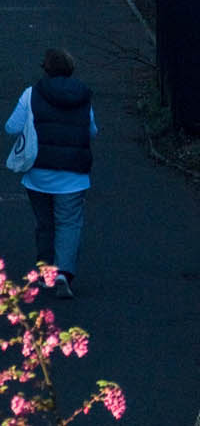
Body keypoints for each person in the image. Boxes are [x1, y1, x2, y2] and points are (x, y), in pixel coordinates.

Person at [6, 48, 97, 299]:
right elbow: (92, 131)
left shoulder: (31, 94)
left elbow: (11, 127)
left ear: (45, 68)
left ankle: (46, 272)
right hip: (74, 174)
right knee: (69, 223)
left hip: (38, 173)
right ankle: (63, 274)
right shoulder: (83, 96)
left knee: (45, 224)